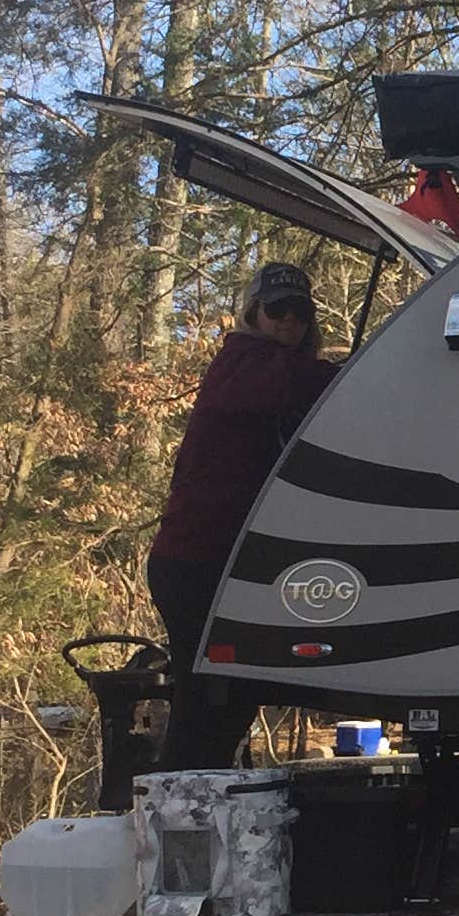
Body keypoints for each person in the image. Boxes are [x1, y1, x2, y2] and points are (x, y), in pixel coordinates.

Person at [147, 261, 340, 769]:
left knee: (232, 695)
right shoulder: (245, 363)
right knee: (206, 694)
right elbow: (297, 383)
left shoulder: (276, 374)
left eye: (300, 311)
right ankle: (173, 804)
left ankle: (204, 796)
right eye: (277, 308)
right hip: (194, 562)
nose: (289, 320)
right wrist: (366, 369)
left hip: (222, 562)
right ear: (253, 314)